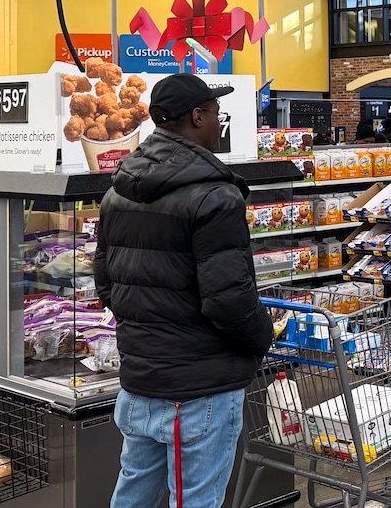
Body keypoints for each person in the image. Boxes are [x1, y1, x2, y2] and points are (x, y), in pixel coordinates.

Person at [96, 74, 273, 508]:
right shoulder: (215, 196)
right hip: (199, 388)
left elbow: (106, 283)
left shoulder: (118, 191)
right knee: (195, 499)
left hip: (140, 380)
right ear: (197, 117)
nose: (217, 122)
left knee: (133, 493)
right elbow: (229, 300)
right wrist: (262, 337)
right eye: (215, 113)